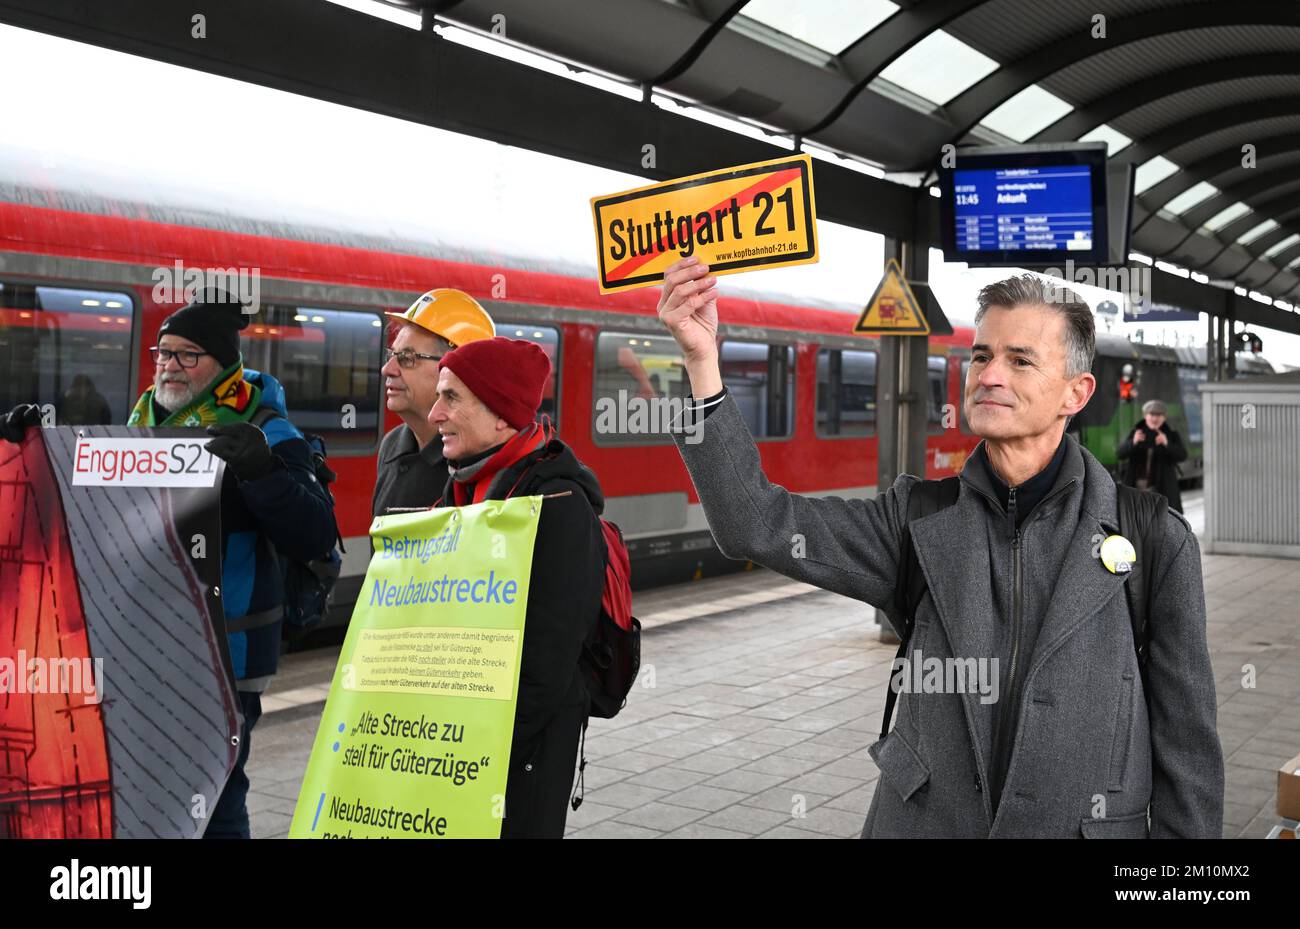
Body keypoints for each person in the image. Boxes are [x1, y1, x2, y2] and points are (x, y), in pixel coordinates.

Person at [657, 260, 1223, 839]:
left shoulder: (1153, 541)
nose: (989, 374)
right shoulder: (916, 520)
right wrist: (703, 364)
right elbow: (755, 523)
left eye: (1020, 360)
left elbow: (1187, 750)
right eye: (981, 356)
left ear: (1075, 394)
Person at [3, 289, 339, 838]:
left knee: (215, 791)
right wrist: (27, 444)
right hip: (138, 642)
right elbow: (82, 502)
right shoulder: (143, 420)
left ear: (225, 365)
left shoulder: (265, 426)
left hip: (224, 650)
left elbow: (314, 530)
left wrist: (262, 471)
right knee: (142, 783)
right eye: (164, 353)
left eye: (188, 355)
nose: (170, 366)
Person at [431, 337, 604, 838]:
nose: (436, 413)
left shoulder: (560, 503)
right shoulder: (461, 488)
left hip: (521, 750)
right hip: (455, 736)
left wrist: (480, 752)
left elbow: (546, 662)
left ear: (502, 415)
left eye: (452, 398)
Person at [372, 289, 495, 519]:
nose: (387, 369)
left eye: (407, 358)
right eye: (391, 355)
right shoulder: (392, 446)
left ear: (455, 370)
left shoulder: (479, 459)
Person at [1116, 399, 1187, 513]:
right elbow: (1120, 454)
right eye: (1152, 414)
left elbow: (1182, 456)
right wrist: (1133, 442)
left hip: (1163, 490)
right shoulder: (1137, 433)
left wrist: (1167, 444)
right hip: (1136, 490)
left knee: (1161, 524)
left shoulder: (1171, 434)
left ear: (1164, 417)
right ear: (1145, 416)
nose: (1155, 418)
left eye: (1159, 415)